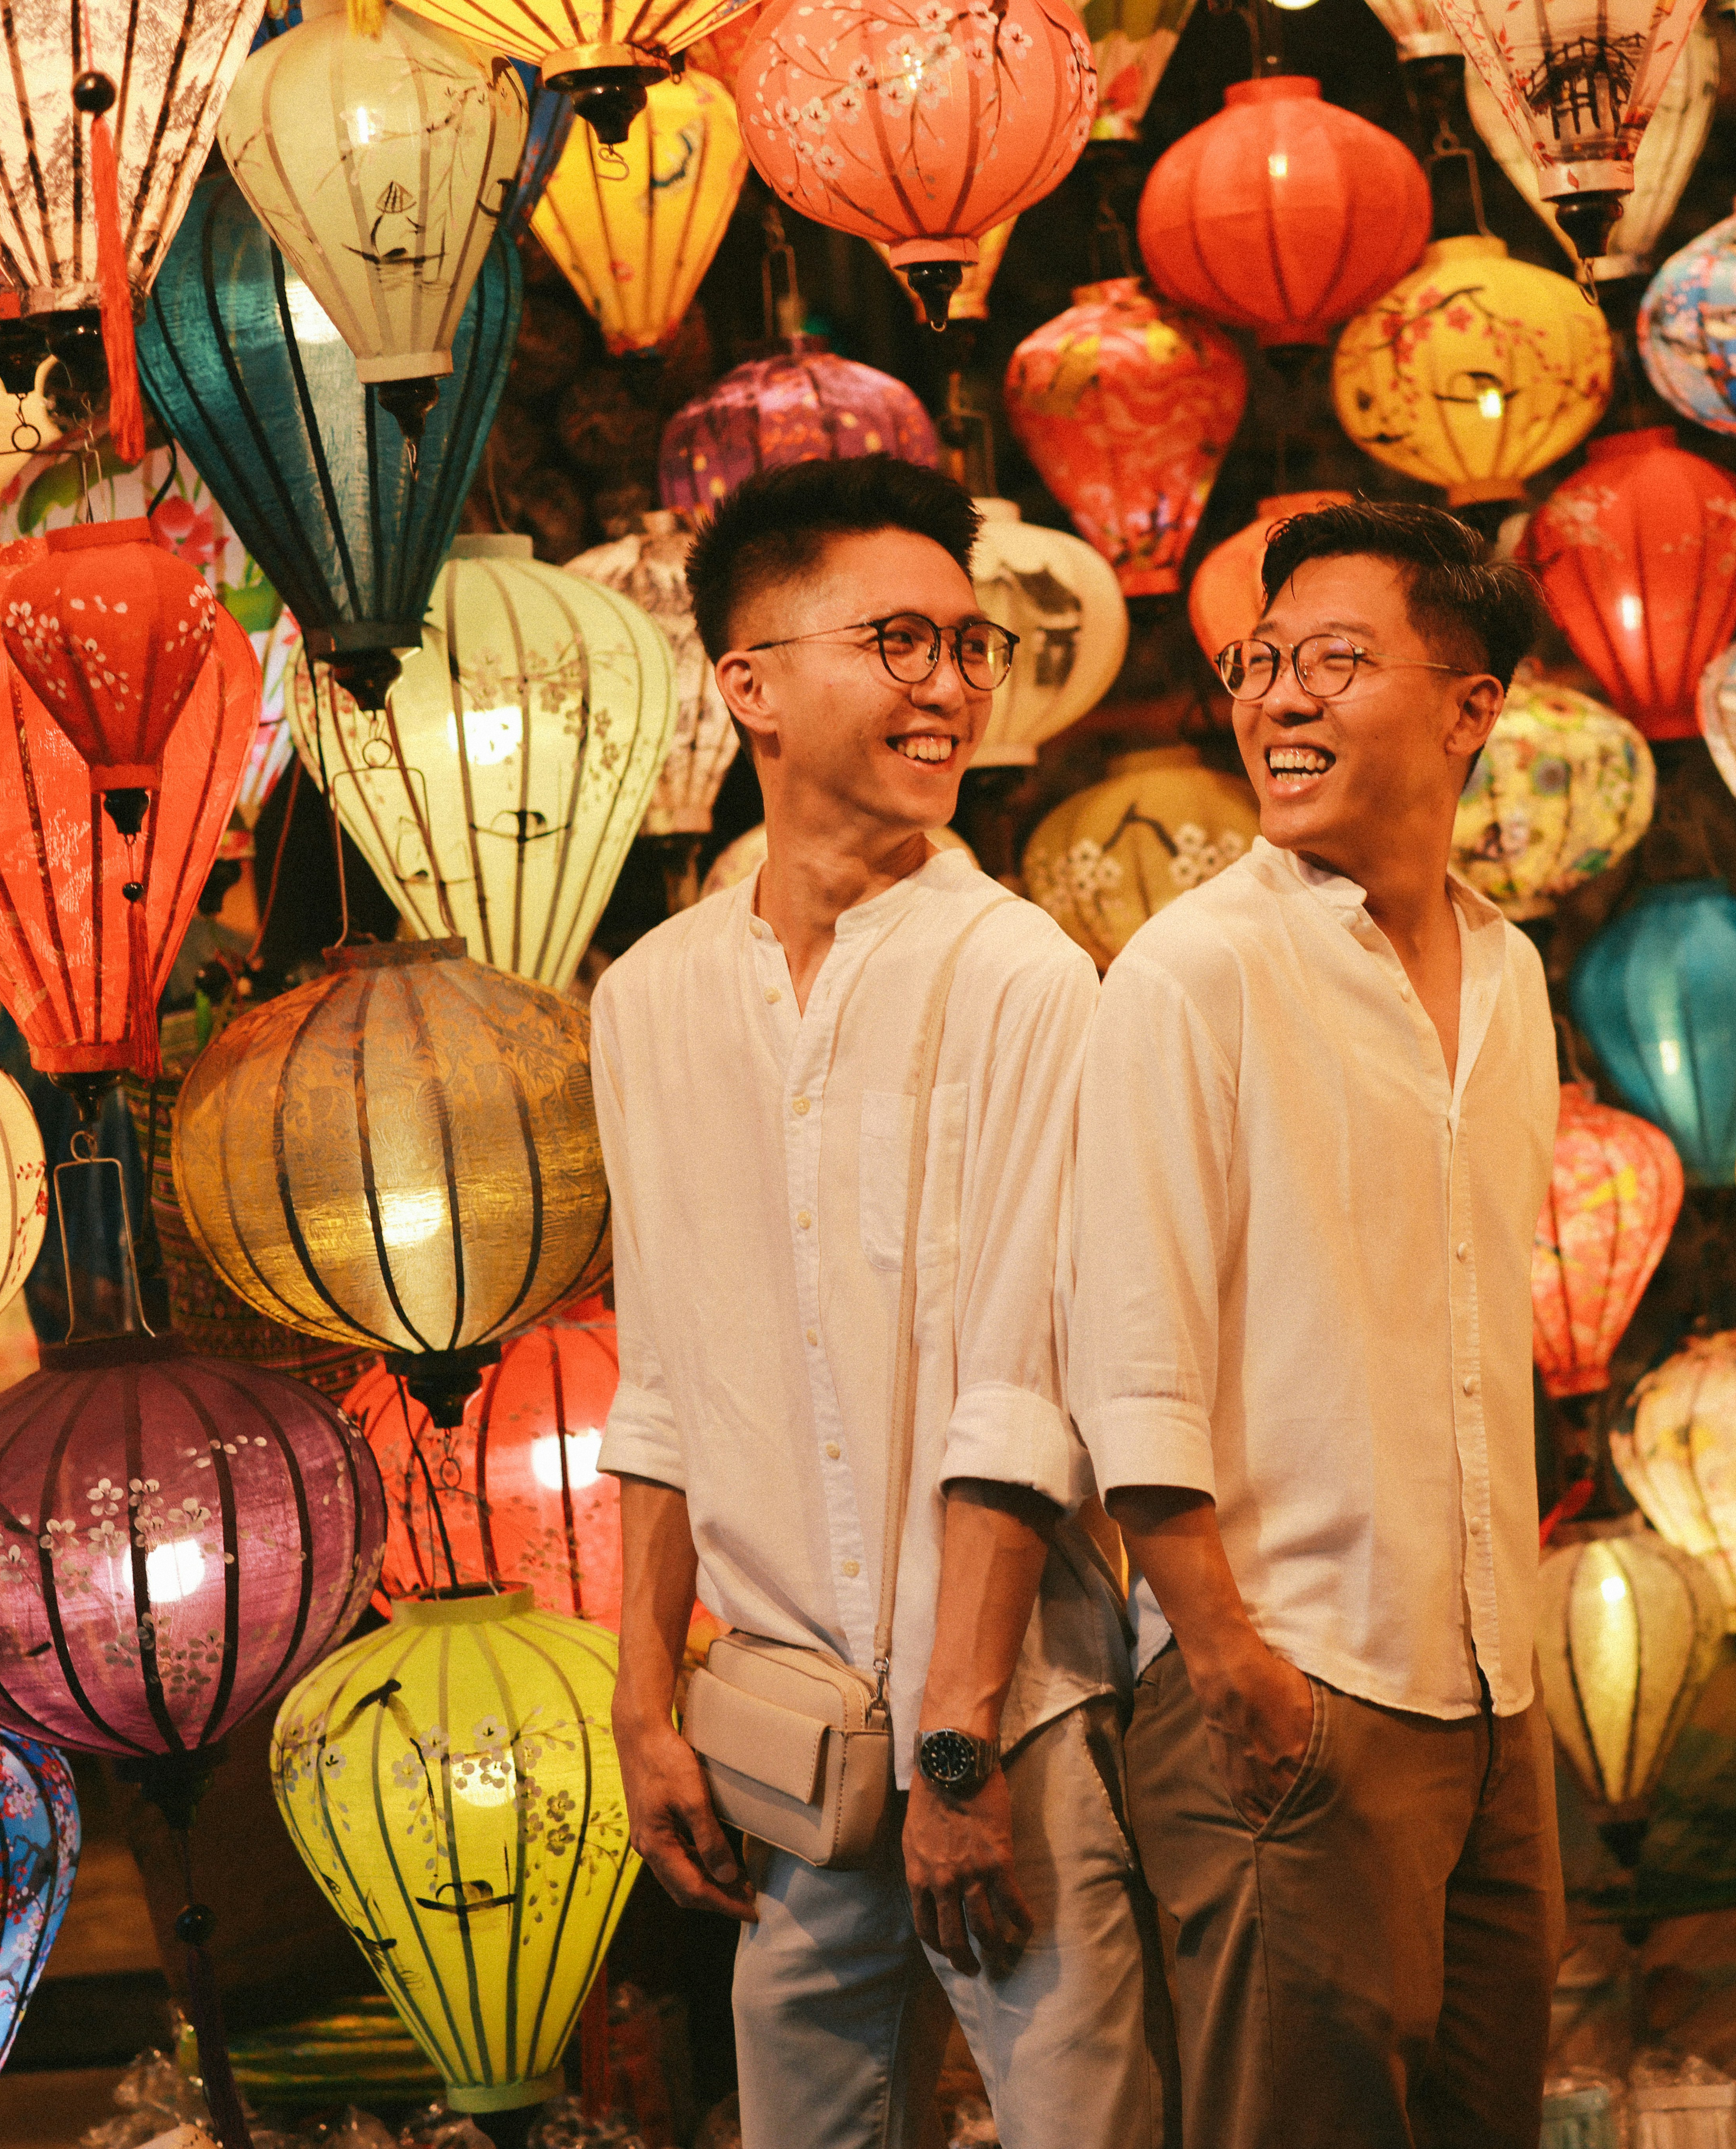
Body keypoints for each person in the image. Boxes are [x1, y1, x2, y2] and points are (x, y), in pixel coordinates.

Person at [594, 455, 1162, 2149]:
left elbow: (1020, 1385)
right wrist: (642, 1703)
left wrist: (962, 1744)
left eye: (969, 647)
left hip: (1010, 1724)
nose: (948, 684)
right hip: (785, 1734)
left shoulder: (1020, 976)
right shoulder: (648, 999)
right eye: (898, 638)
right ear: (748, 684)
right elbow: (664, 1384)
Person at [1067, 499, 1564, 2149]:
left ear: (1468, 705)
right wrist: (1221, 1650)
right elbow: (1128, 1336)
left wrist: (1515, 1681)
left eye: (1333, 663)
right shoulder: (1189, 972)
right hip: (1293, 1680)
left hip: (1491, 1683)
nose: (1278, 700)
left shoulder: (1508, 976)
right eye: (1261, 664)